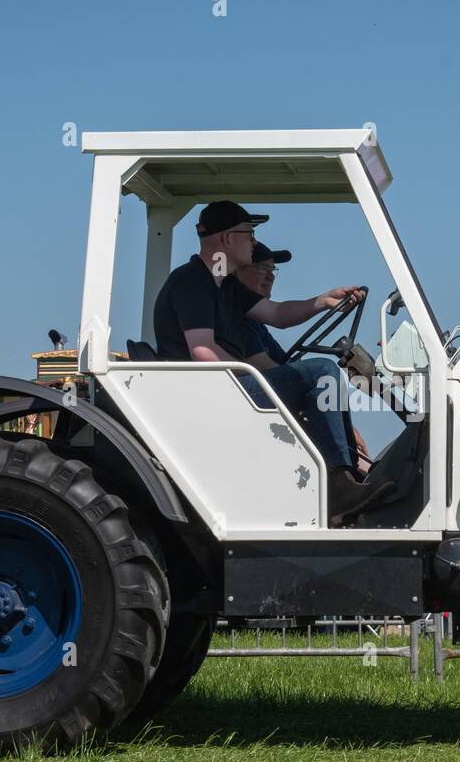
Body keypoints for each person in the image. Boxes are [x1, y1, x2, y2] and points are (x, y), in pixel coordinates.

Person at [151, 201, 390, 524]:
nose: (253, 241)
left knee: (316, 376)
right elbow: (203, 351)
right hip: (212, 395)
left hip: (222, 388)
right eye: (248, 234)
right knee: (321, 371)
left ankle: (346, 477)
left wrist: (323, 300)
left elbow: (278, 314)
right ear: (226, 240)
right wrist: (251, 374)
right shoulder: (192, 282)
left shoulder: (226, 284)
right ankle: (338, 490)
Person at [235, 241, 373, 476]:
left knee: (321, 379)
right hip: (244, 402)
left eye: (273, 271)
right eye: (261, 269)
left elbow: (285, 365)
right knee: (322, 371)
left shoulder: (258, 325)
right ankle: (341, 476)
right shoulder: (237, 319)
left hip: (254, 399)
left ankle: (353, 468)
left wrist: (345, 427)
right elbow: (265, 368)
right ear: (238, 271)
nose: (270, 277)